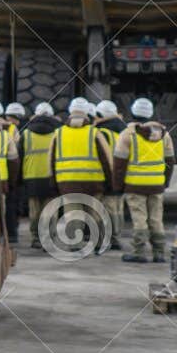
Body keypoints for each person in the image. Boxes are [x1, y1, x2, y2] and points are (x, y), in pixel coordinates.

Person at [112, 97, 175, 264]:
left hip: (135, 186)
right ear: (151, 113)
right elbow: (170, 161)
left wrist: (117, 185)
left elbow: (119, 163)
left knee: (139, 218)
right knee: (156, 218)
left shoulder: (127, 135)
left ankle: (139, 252)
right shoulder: (164, 134)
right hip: (156, 186)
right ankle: (159, 253)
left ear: (132, 113)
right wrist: (165, 182)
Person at [48, 97, 114, 251]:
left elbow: (50, 160)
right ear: (87, 113)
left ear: (70, 112)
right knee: (96, 214)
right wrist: (110, 182)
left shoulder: (58, 133)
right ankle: (99, 244)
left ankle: (75, 244)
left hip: (67, 182)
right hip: (93, 182)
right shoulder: (95, 133)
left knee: (72, 214)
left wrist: (53, 182)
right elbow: (107, 159)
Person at [19, 102, 61, 249]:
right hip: (52, 176)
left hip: (32, 177)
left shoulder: (25, 133)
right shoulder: (58, 132)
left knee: (35, 210)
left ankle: (37, 238)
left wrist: (19, 180)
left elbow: (19, 157)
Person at [92, 99, 127, 250]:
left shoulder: (101, 133)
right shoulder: (125, 131)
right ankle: (116, 238)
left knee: (105, 210)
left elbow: (102, 159)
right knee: (118, 209)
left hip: (108, 177)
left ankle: (105, 240)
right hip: (123, 177)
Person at [0, 100, 21, 244]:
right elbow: (14, 161)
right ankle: (0, 237)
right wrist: (12, 182)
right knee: (0, 210)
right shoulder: (5, 135)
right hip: (1, 181)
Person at [4, 103, 28, 243]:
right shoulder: (13, 130)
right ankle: (12, 234)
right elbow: (15, 156)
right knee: (12, 204)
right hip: (9, 174)